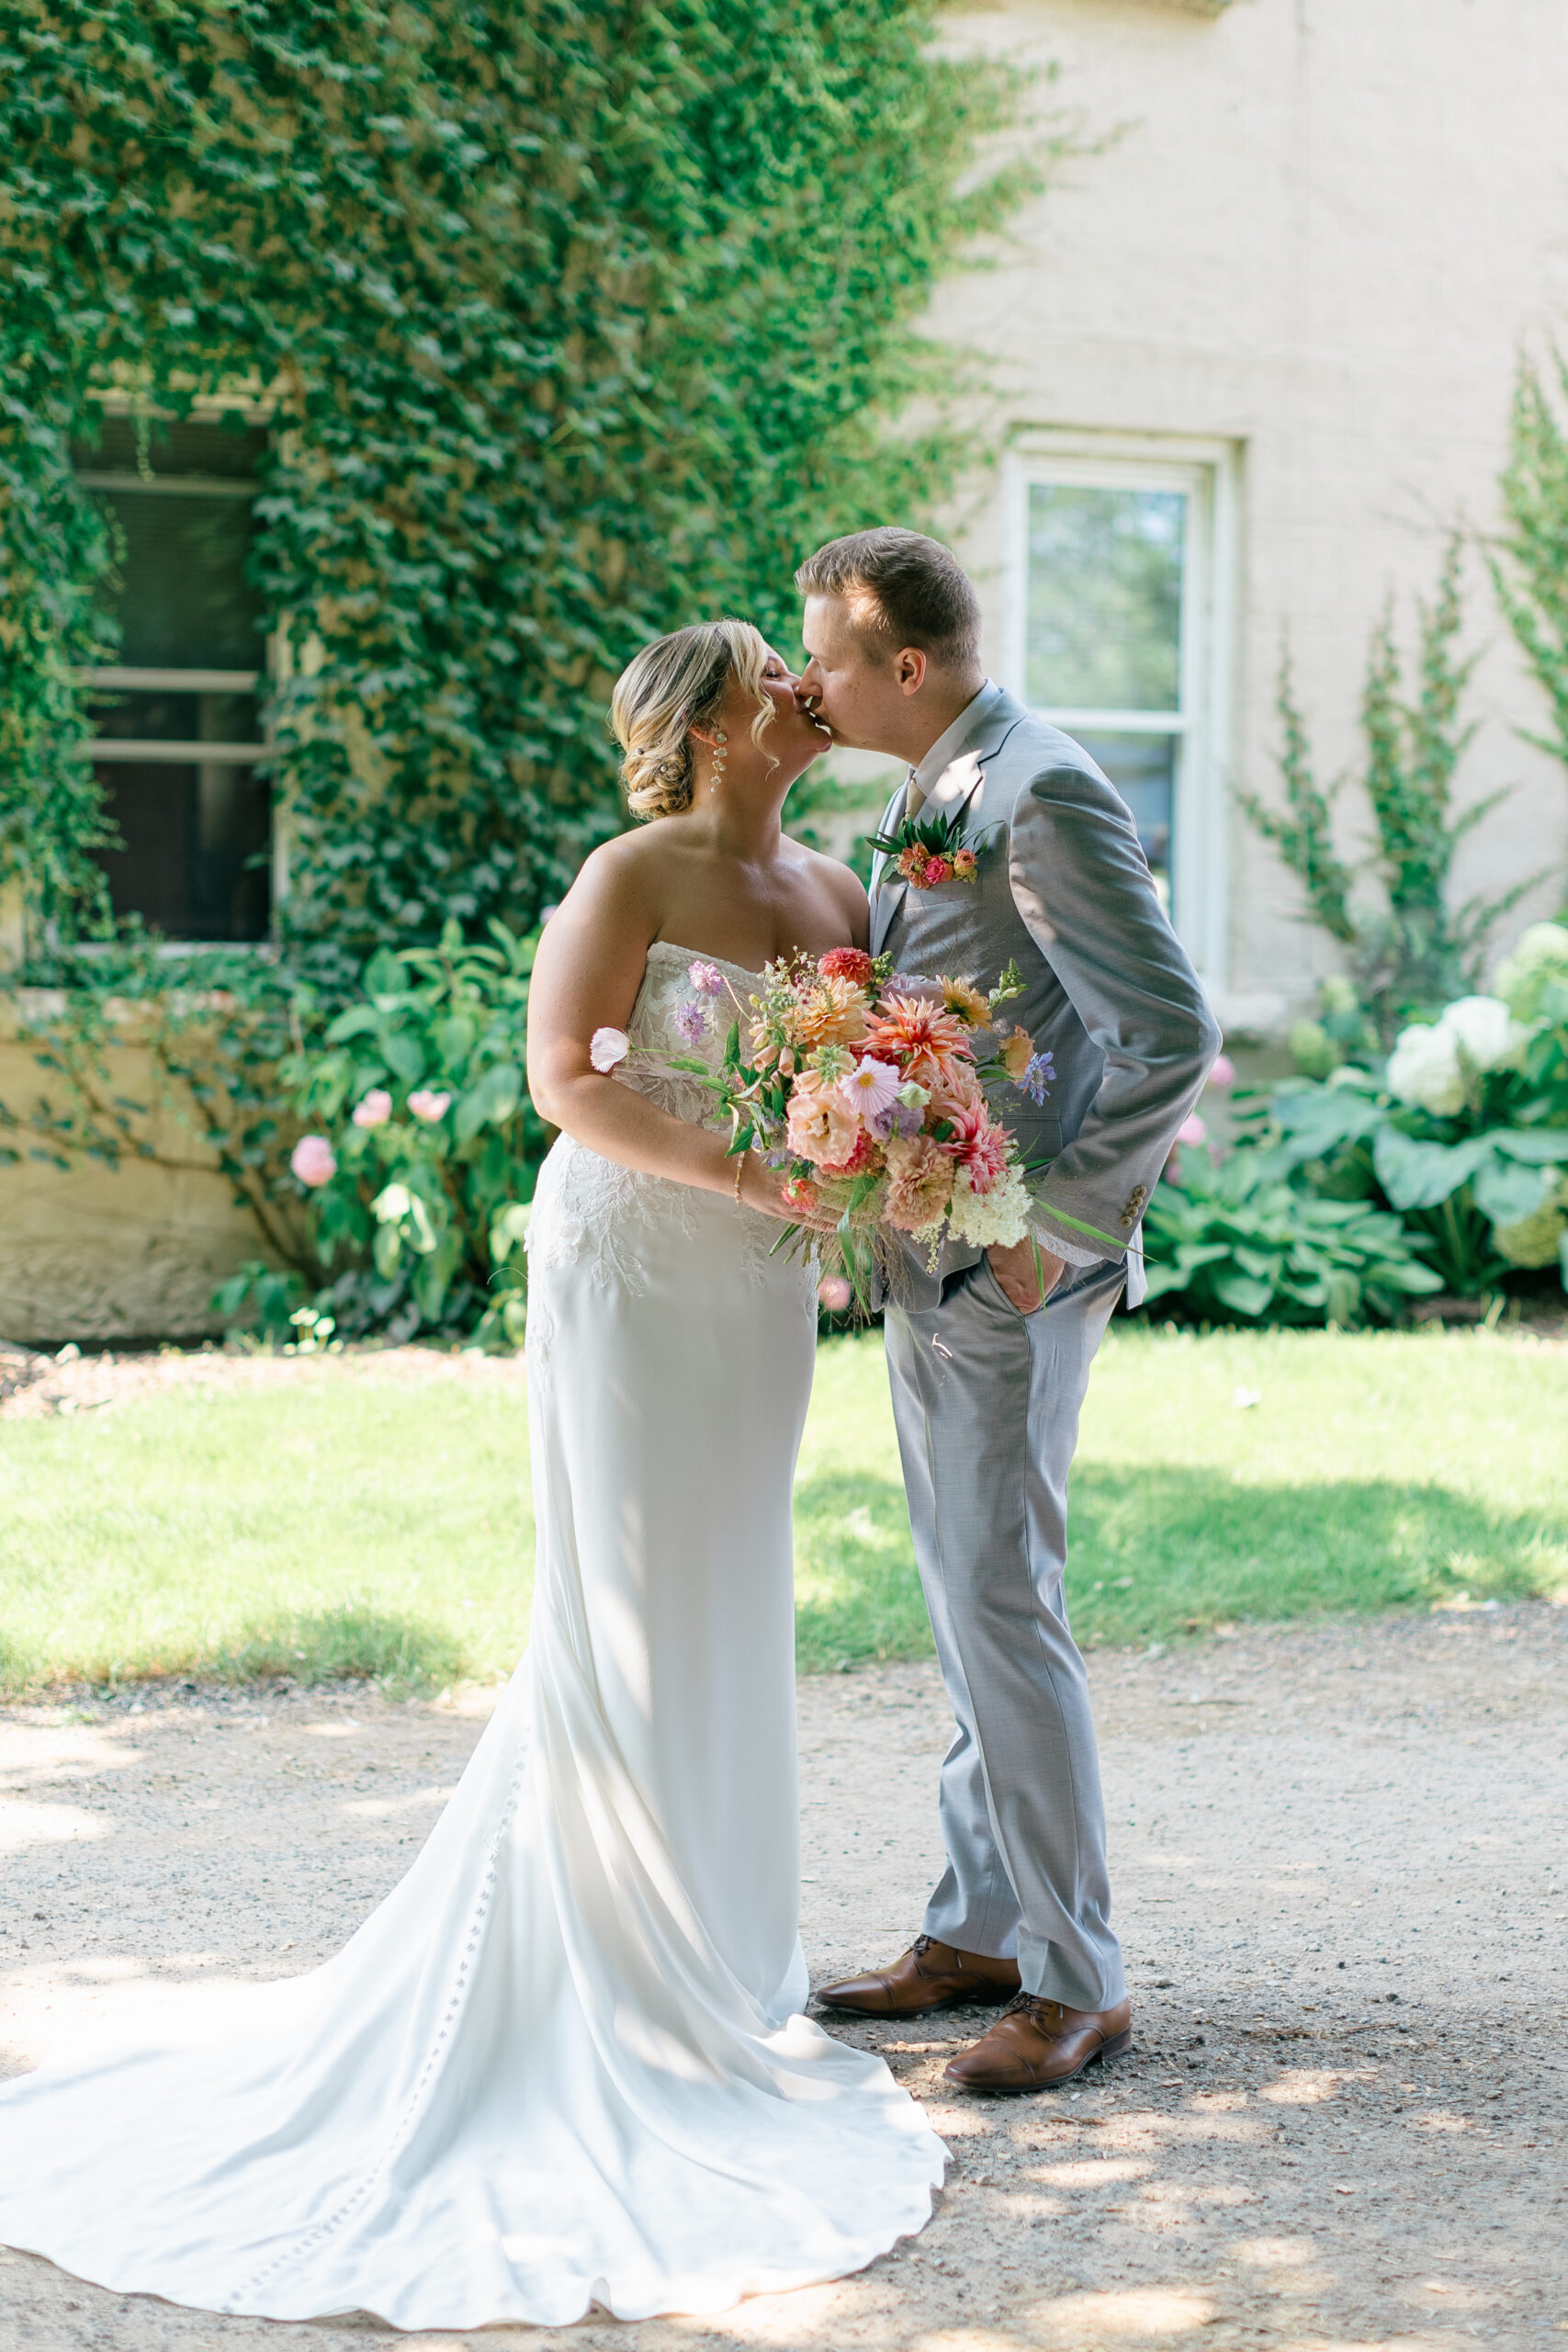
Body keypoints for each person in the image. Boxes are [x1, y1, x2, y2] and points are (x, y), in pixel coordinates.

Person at [0, 619, 945, 2330]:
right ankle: (598, 1965)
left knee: (732, 1586)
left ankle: (721, 1965)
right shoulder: (628, 871)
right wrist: (758, 1182)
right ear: (710, 721)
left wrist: (871, 1151)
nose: (802, 687)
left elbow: (860, 1072)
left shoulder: (839, 894)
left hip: (757, 1290)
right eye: (768, 670)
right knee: (627, 1598)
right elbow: (564, 1085)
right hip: (642, 1260)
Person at [797, 528, 1221, 2093]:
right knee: (965, 1589)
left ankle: (1076, 1975)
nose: (806, 682)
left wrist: (1053, 1227)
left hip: (1015, 1261)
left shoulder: (1035, 791)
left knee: (1003, 1598)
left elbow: (1168, 1028)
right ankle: (980, 1927)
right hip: (938, 1251)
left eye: (825, 659)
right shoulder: (934, 784)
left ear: (904, 665)